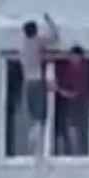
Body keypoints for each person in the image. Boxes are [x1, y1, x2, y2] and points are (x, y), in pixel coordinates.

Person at [20, 14, 58, 159]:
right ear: (35, 31)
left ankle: (35, 143)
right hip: (37, 81)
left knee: (33, 115)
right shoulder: (37, 41)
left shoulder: (22, 45)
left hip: (27, 82)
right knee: (41, 116)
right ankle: (39, 143)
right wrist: (50, 22)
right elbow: (54, 38)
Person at [54, 45, 89, 157]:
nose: (74, 60)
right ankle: (68, 154)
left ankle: (80, 155)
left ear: (80, 57)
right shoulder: (65, 68)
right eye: (72, 57)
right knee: (69, 131)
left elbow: (75, 93)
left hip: (81, 104)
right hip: (68, 106)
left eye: (76, 57)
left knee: (79, 131)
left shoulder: (84, 69)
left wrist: (58, 90)